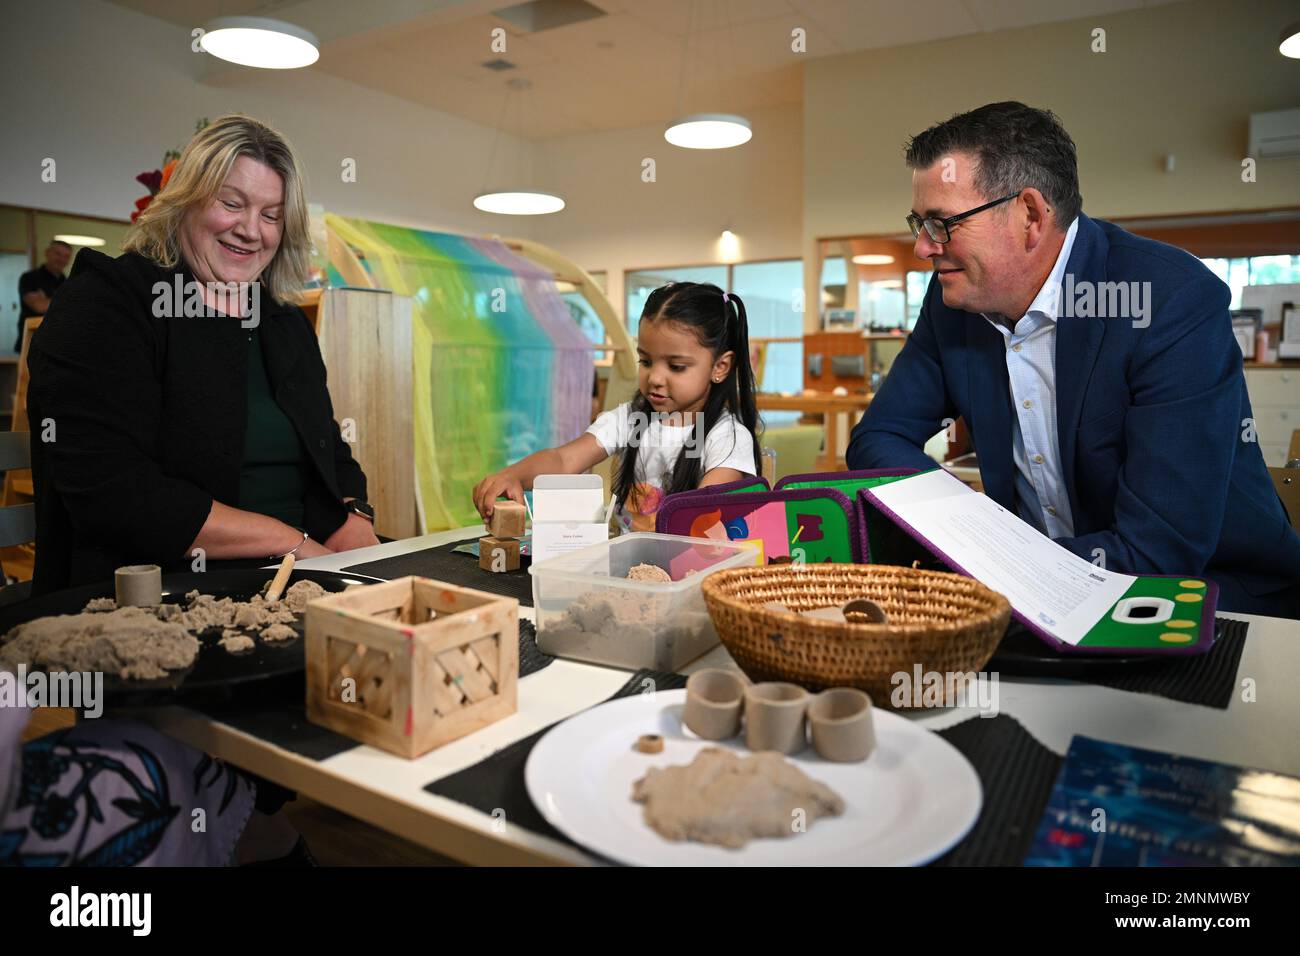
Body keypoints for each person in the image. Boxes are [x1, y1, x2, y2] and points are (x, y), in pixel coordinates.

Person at [846, 101, 1300, 617]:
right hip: (1027, 600)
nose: (923, 248)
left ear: (1031, 216)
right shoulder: (954, 303)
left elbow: (1159, 554)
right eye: (918, 223)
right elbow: (877, 439)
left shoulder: (1168, 300)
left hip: (1214, 602)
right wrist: (963, 523)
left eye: (941, 223)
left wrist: (986, 568)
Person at [27, 114, 380, 594]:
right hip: (162, 590)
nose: (250, 230)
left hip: (303, 571)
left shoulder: (284, 323)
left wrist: (354, 517)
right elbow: (114, 492)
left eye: (271, 215)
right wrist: (288, 543)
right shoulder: (107, 302)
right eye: (231, 203)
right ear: (184, 201)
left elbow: (328, 449)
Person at [474, 282, 760, 532]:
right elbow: (563, 460)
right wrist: (513, 475)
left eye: (676, 366)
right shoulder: (629, 420)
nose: (655, 378)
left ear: (720, 367)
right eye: (646, 361)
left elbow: (702, 516)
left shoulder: (728, 439)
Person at [15, 240, 71, 351]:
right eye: (58, 254)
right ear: (47, 253)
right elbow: (38, 306)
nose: (61, 259)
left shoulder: (69, 283)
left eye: (66, 256)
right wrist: (67, 302)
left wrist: (47, 300)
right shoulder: (29, 278)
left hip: (57, 345)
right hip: (30, 343)